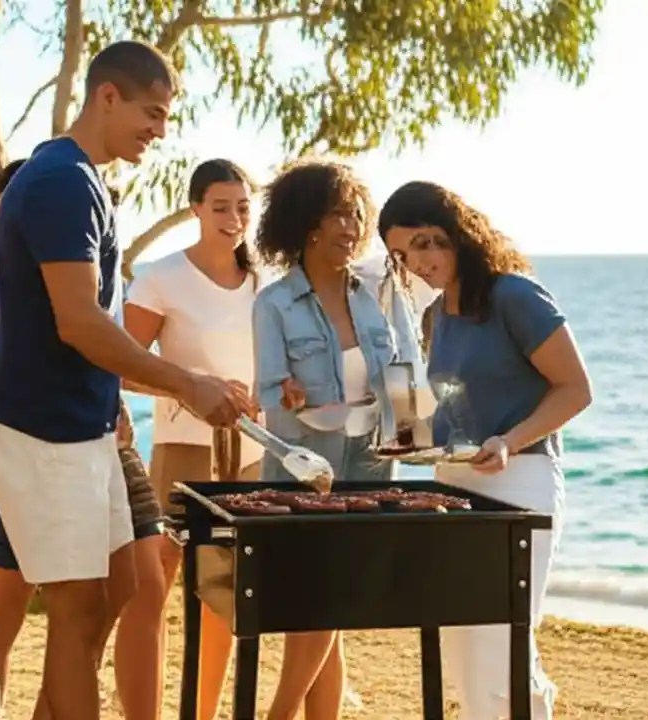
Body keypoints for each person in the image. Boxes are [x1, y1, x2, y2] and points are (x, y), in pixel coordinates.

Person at [0, 40, 254, 719]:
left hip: (86, 429)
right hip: (46, 433)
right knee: (77, 610)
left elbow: (86, 325)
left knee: (120, 588)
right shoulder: (59, 184)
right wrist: (186, 383)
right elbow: (78, 322)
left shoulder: (82, 182)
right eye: (152, 113)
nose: (160, 132)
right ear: (107, 96)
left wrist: (120, 405)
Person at [0, 159, 167, 712]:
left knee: (120, 590)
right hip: (28, 452)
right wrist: (18, 377)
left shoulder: (91, 270)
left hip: (105, 444)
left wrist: (180, 387)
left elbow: (105, 352)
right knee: (5, 617)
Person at [378, 180, 593, 720]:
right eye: (403, 253)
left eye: (427, 242)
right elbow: (457, 412)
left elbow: (575, 389)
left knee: (500, 650)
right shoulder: (436, 316)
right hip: (455, 486)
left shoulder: (513, 295)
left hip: (521, 480)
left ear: (458, 231)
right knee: (469, 652)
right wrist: (407, 437)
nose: (418, 262)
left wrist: (508, 440)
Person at [250, 160, 415, 720]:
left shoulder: (376, 294)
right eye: (338, 214)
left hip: (370, 471)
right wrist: (292, 393)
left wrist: (413, 435)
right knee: (316, 608)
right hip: (305, 475)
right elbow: (271, 393)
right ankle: (279, 716)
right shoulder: (272, 304)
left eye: (355, 215)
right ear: (308, 224)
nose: (351, 227)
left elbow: (404, 372)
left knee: (331, 609)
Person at [120, 159, 263, 719]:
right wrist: (191, 387)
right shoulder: (161, 277)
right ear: (196, 208)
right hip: (182, 452)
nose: (233, 219)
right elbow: (120, 364)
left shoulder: (262, 280)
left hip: (249, 454)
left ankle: (202, 714)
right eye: (221, 207)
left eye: (243, 208)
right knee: (154, 586)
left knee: (225, 597)